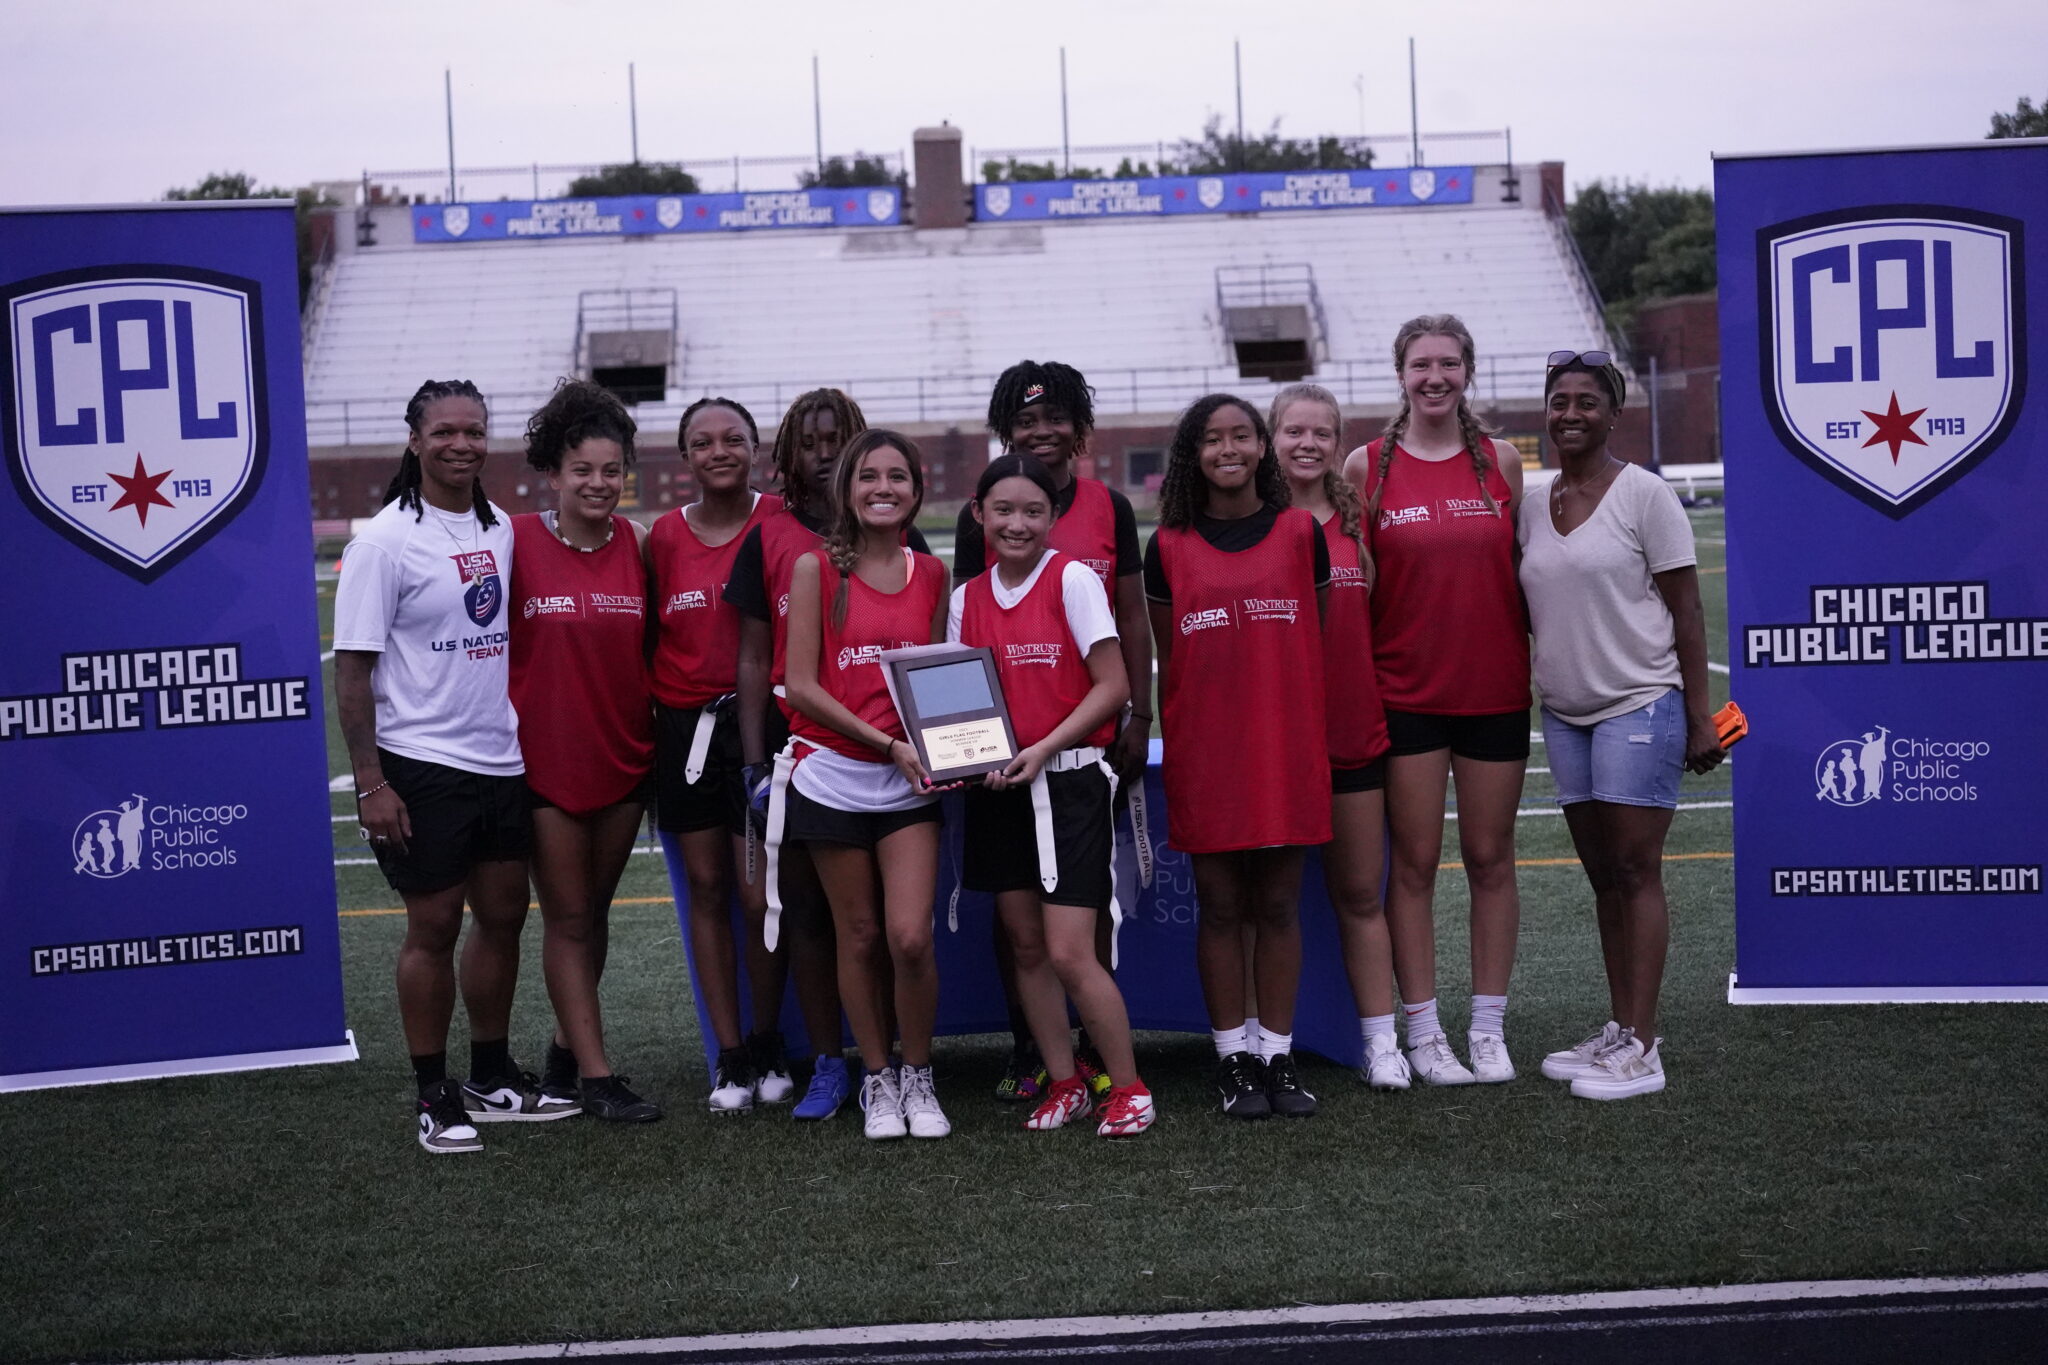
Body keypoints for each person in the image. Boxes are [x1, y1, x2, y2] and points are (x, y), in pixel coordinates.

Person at [334, 379, 571, 1155]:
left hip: (499, 756)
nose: (461, 443)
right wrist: (372, 780)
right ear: (415, 440)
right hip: (420, 762)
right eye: (444, 432)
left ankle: (491, 1074)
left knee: (503, 914)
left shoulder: (502, 527)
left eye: (474, 430)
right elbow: (353, 672)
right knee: (433, 925)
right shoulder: (383, 541)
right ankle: (433, 1093)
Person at [726, 389, 935, 1120]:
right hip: (809, 757)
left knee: (898, 929)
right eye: (808, 442)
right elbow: (759, 661)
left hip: (904, 768)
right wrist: (756, 760)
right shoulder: (774, 539)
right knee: (817, 919)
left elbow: (937, 667)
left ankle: (909, 1068)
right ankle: (831, 1062)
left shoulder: (919, 557)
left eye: (833, 440)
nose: (820, 453)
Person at [1518, 351, 1722, 1100]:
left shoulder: (1646, 495)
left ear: (1614, 413)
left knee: (1636, 872)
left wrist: (1700, 717)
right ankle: (1618, 1026)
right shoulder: (1535, 502)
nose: (1570, 414)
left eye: (1586, 402)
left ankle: (1643, 1042)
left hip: (1640, 703)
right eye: (1558, 401)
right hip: (1566, 716)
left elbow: (1688, 611)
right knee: (1604, 876)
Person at [952, 360, 1151, 1103]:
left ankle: (1114, 1071)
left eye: (1055, 418)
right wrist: (965, 750)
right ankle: (1042, 1058)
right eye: (1026, 420)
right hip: (1004, 769)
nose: (1041, 431)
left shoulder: (1100, 520)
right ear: (982, 514)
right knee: (1024, 936)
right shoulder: (982, 547)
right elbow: (971, 654)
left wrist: (1139, 714)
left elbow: (1128, 623)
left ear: (1080, 427)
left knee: (1076, 933)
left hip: (1072, 760)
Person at [1343, 314, 1529, 1087]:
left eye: (1449, 364)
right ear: (1400, 374)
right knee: (1413, 866)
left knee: (1490, 859)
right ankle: (1423, 1030)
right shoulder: (1366, 468)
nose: (1435, 377)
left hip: (1494, 692)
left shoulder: (1502, 462)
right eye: (1421, 364)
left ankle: (1487, 1027)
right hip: (1407, 694)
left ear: (1467, 372)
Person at [1146, 394, 1331, 1120]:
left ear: (1262, 447)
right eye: (1212, 439)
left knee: (1280, 903)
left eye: (1242, 436)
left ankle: (1278, 1053)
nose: (1228, 449)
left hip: (1286, 746)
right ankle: (1232, 1059)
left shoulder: (1297, 532)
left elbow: (1310, 639)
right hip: (1208, 752)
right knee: (1221, 908)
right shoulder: (1165, 543)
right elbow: (1172, 656)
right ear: (1193, 453)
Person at [780, 430, 953, 1141]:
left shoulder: (933, 574)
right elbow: (799, 685)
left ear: (916, 489)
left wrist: (945, 750)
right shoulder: (816, 568)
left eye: (898, 477)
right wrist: (885, 741)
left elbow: (940, 682)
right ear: (848, 488)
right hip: (831, 776)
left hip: (910, 785)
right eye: (869, 477)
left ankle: (919, 1074)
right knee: (857, 935)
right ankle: (877, 1079)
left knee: (909, 936)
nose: (884, 488)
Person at [508, 379, 660, 1123]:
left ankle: (568, 1051)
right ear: (552, 472)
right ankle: (594, 1079)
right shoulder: (514, 542)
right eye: (583, 471)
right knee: (567, 917)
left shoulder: (637, 546)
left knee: (593, 914)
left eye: (611, 470)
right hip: (544, 764)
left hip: (625, 758)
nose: (598, 484)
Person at [650, 397, 790, 1114]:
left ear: (756, 447)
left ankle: (770, 1040)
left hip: (762, 726)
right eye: (702, 442)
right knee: (705, 888)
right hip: (683, 731)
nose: (719, 450)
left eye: (732, 437)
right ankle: (729, 1054)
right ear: (685, 458)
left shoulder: (782, 521)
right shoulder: (662, 538)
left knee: (756, 892)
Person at [1270, 384, 1404, 1090]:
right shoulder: (1252, 523)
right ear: (1274, 438)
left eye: (1322, 432)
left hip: (1353, 735)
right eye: (1294, 431)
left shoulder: (1358, 524)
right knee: (1275, 906)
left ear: (1338, 441)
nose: (1307, 443)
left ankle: (1381, 1041)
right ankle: (1269, 1049)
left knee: (1360, 894)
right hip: (1276, 747)